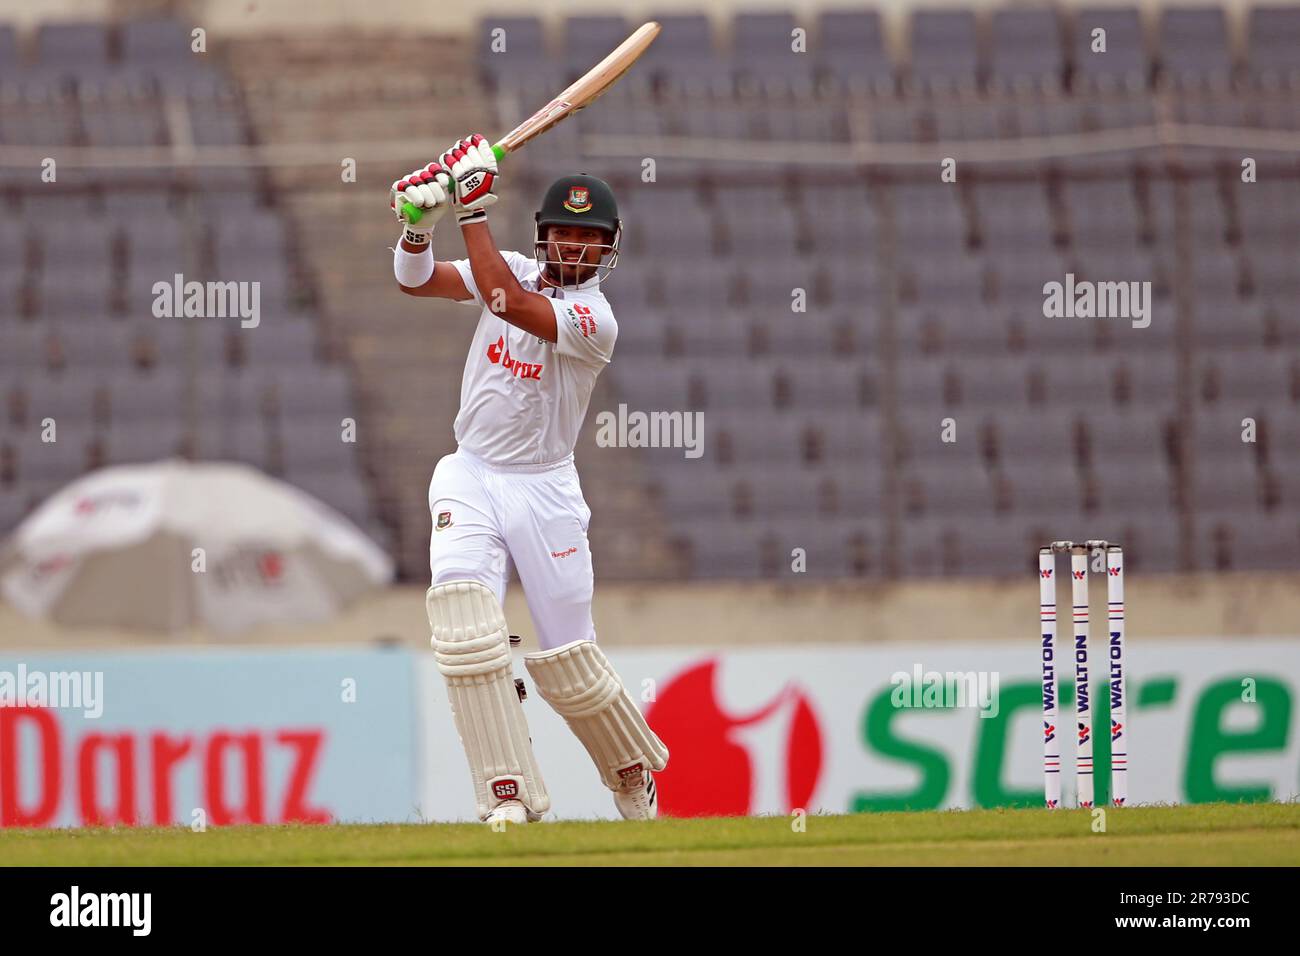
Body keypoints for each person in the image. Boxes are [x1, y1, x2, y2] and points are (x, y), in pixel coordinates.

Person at [390, 135, 668, 825]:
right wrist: (417, 227)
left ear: (609, 248)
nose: (574, 248)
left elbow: (507, 303)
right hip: (471, 474)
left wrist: (472, 208)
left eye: (588, 237)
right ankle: (506, 793)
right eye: (563, 234)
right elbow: (415, 282)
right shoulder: (510, 268)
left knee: (570, 657)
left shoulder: (594, 318)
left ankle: (629, 774)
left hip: (545, 492)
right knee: (465, 627)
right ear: (543, 238)